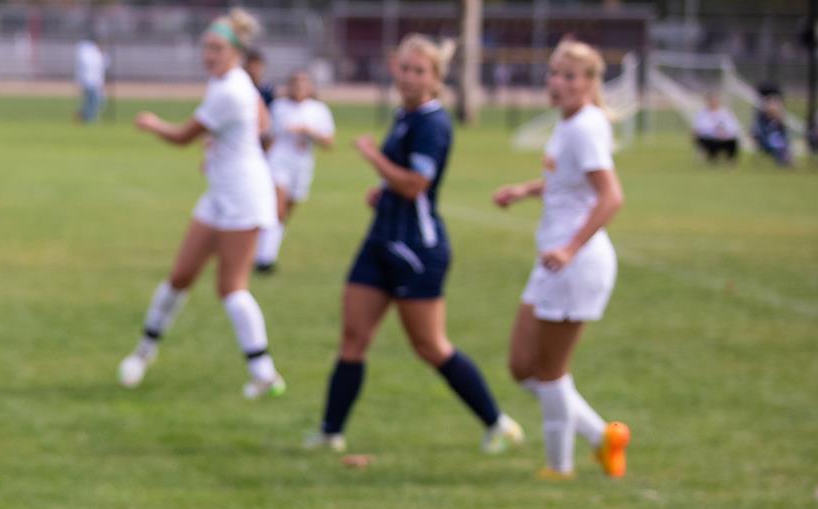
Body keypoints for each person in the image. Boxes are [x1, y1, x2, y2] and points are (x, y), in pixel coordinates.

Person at [307, 34, 522, 454]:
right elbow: (400, 185)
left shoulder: (433, 123)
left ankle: (498, 423)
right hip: (380, 240)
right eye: (404, 68)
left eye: (419, 71)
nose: (409, 77)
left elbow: (415, 184)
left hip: (417, 251)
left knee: (430, 346)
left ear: (436, 78)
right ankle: (330, 432)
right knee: (353, 338)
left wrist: (374, 158)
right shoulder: (404, 115)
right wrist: (381, 192)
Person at [118, 9, 286, 400]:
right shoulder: (231, 81)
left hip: (242, 197)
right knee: (180, 275)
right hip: (220, 194)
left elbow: (180, 137)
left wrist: (152, 123)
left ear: (236, 51)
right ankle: (143, 353)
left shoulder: (230, 89)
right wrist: (223, 146)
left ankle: (264, 373)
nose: (209, 54)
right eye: (206, 46)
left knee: (231, 288)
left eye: (218, 48)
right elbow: (260, 123)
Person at [493, 40, 630, 480]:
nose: (558, 83)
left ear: (591, 83)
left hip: (574, 264)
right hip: (552, 261)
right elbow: (568, 180)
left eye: (571, 76)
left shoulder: (585, 127)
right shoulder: (570, 123)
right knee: (521, 366)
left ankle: (560, 467)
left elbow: (611, 197)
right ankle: (602, 437)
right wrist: (525, 190)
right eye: (555, 73)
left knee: (550, 373)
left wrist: (570, 248)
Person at [255, 69, 335, 273]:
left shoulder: (318, 110)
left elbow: (329, 141)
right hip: (279, 161)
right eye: (295, 83)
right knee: (278, 208)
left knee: (286, 212)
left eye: (303, 83)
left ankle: (262, 248)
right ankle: (265, 260)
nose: (299, 88)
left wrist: (309, 132)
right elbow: (266, 135)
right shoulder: (279, 107)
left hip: (302, 165)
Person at [690, 91, 741, 164]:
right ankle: (710, 155)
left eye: (715, 100)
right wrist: (715, 131)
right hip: (709, 138)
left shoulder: (725, 112)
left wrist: (725, 132)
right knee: (705, 140)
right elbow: (699, 127)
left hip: (724, 138)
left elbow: (733, 126)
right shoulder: (702, 113)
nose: (713, 102)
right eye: (712, 100)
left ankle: (730, 160)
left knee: (733, 140)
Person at [752, 91, 793, 166]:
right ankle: (783, 161)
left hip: (779, 141)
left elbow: (783, 133)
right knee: (778, 145)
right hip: (766, 141)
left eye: (775, 105)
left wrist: (779, 121)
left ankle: (786, 160)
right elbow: (760, 132)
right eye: (772, 105)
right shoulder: (762, 119)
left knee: (783, 144)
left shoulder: (779, 120)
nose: (773, 107)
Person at [76, 36, 107, 124]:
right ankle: (88, 118)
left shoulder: (96, 54)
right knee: (92, 101)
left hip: (93, 82)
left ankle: (83, 115)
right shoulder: (90, 53)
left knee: (94, 101)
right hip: (90, 82)